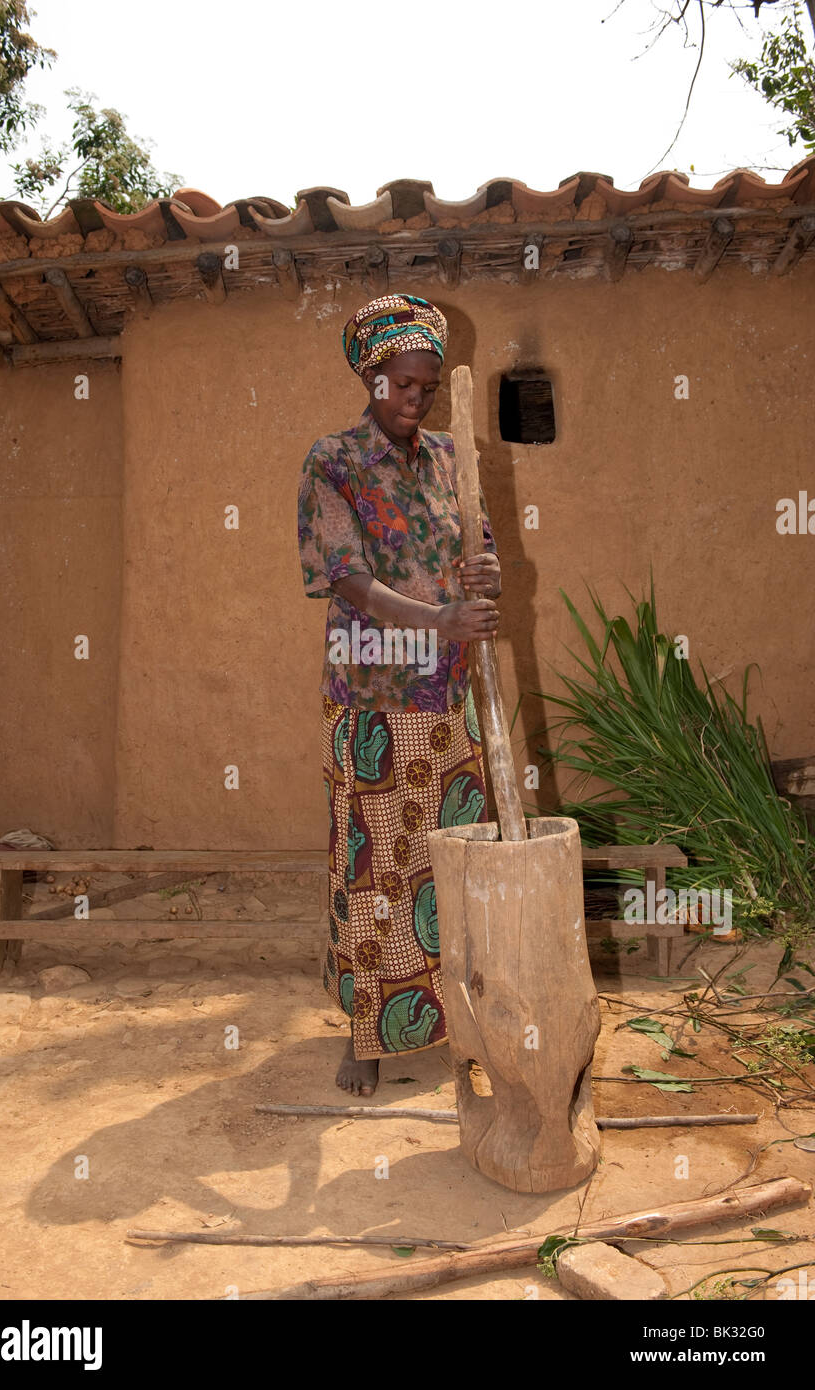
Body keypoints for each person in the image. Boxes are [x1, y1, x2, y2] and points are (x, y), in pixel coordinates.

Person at [297, 293, 501, 1097]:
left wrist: (483, 578)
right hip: (374, 697)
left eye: (428, 387)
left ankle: (458, 1021)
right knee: (375, 868)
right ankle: (367, 1037)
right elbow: (346, 578)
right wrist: (439, 618)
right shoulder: (334, 461)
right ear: (371, 375)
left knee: (451, 862)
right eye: (403, 385)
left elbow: (476, 547)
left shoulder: (454, 458)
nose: (417, 401)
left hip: (451, 699)